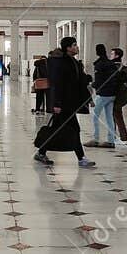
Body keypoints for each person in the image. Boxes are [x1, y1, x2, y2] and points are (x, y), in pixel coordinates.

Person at [34, 35, 95, 168]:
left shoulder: (74, 62)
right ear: (67, 48)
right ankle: (81, 158)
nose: (76, 47)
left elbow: (80, 82)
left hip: (69, 103)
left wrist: (88, 98)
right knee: (74, 129)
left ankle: (41, 152)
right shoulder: (61, 63)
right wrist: (56, 104)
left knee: (57, 129)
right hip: (63, 104)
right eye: (74, 45)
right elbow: (57, 84)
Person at [90, 43, 120, 149]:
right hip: (112, 94)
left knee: (94, 115)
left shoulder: (100, 64)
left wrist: (92, 85)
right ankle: (110, 140)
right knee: (109, 118)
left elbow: (99, 80)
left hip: (103, 94)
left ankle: (95, 139)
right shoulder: (110, 63)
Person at [110, 47, 127, 143]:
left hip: (115, 94)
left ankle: (121, 137)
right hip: (120, 95)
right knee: (116, 115)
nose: (110, 56)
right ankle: (118, 136)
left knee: (116, 115)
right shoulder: (123, 67)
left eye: (112, 54)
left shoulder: (114, 67)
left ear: (117, 55)